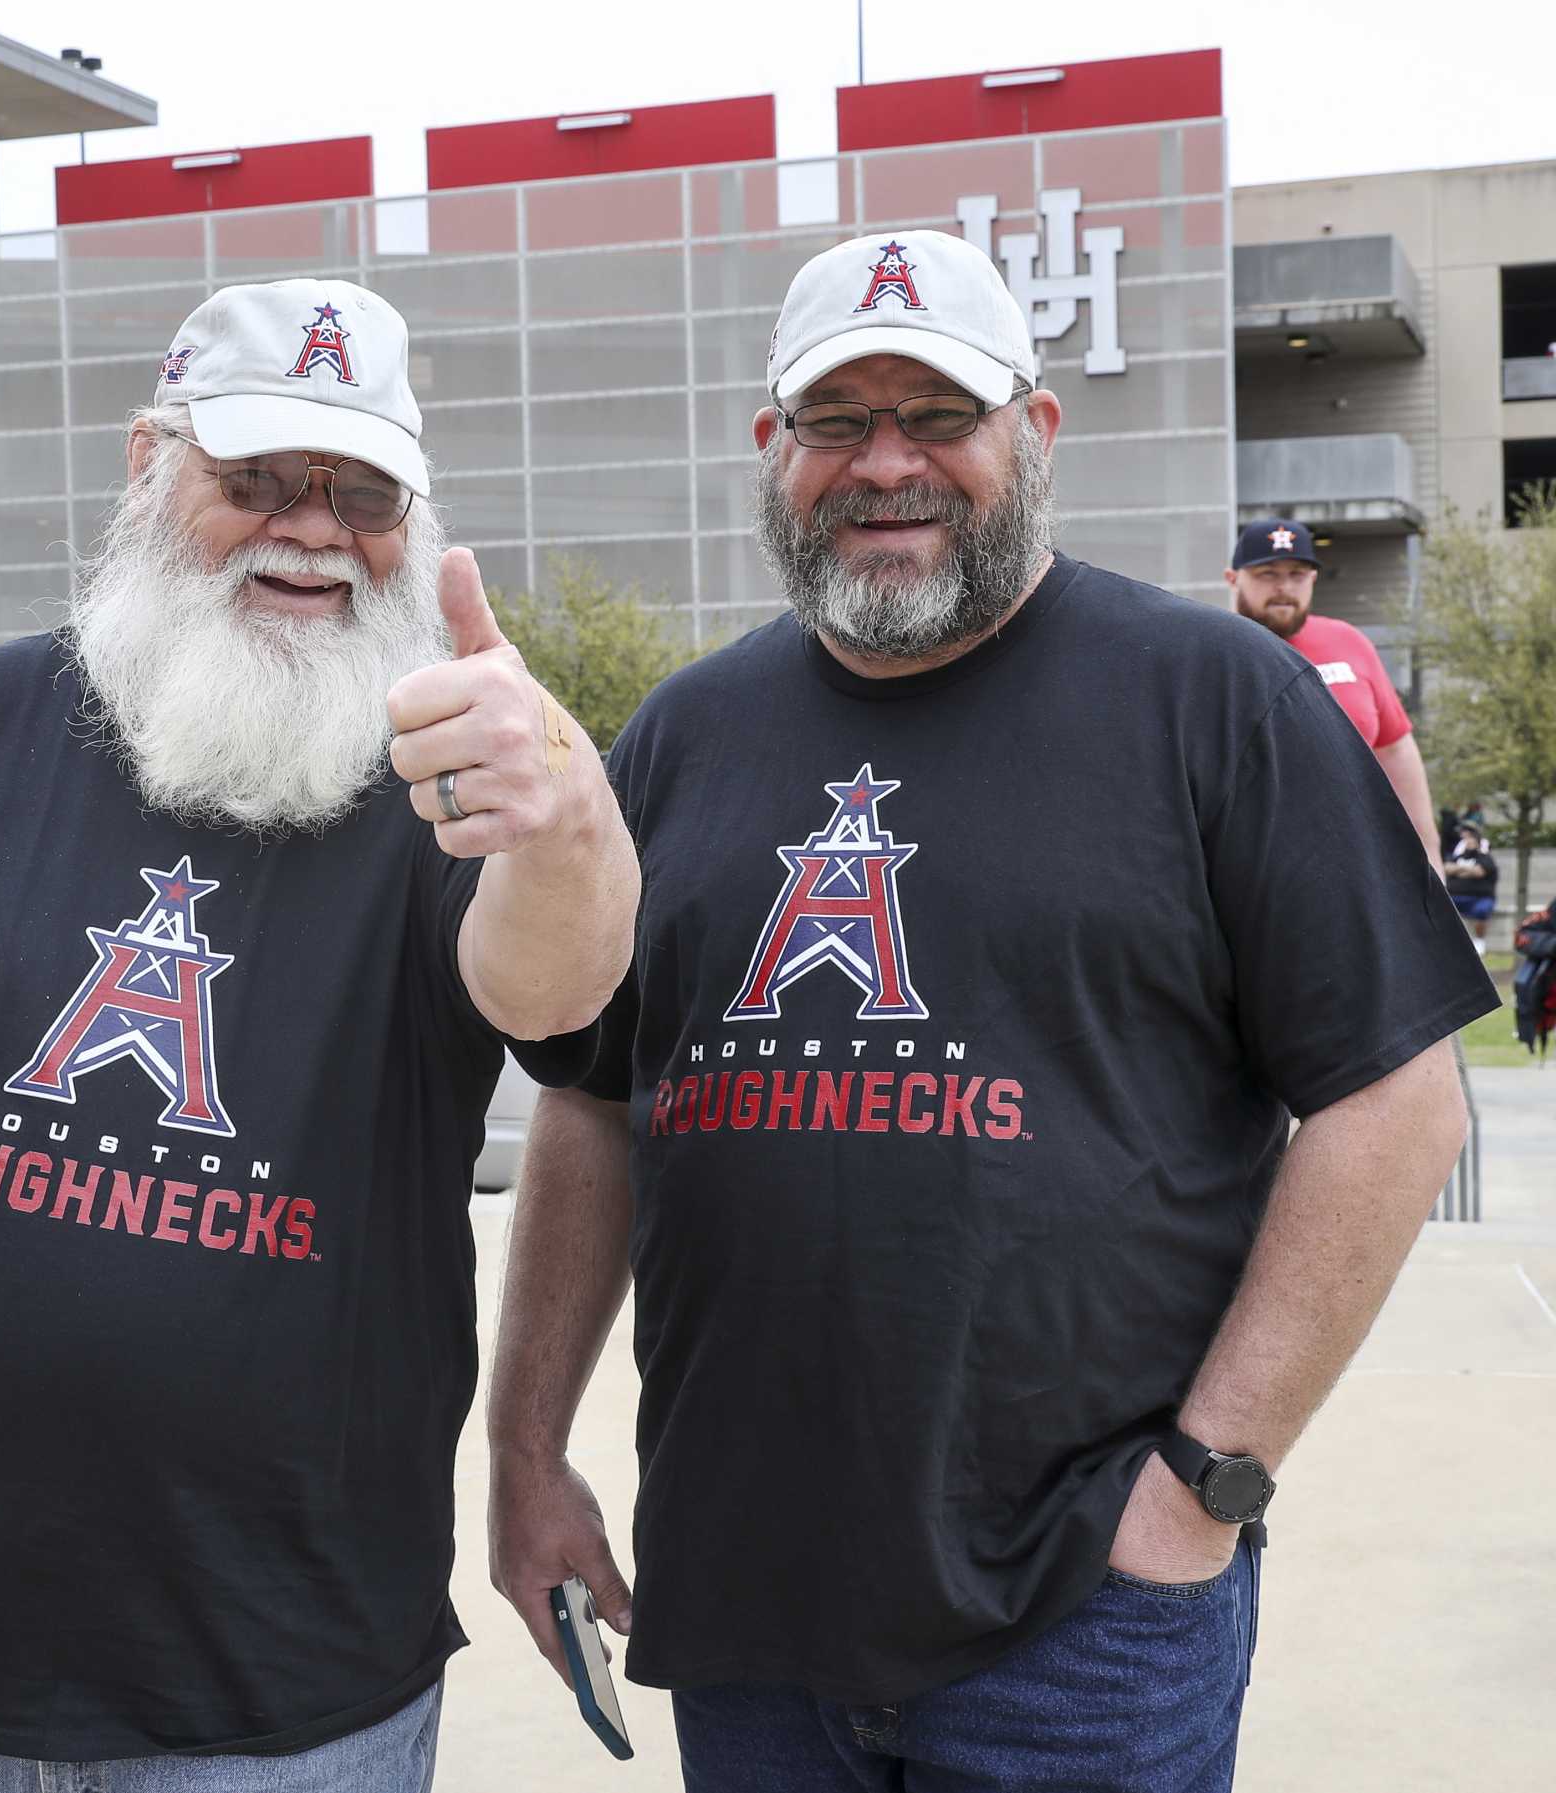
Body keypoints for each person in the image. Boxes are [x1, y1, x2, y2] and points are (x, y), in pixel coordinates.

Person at [0, 277, 638, 1792]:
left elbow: (557, 997)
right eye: (258, 478)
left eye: (362, 492)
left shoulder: (453, 787)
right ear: (152, 464)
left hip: (280, 1688)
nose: (313, 527)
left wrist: (569, 821)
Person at [485, 229, 1496, 1793]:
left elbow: (1399, 1098)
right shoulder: (681, 739)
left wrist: (1205, 1489)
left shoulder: (1215, 702)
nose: (888, 462)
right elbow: (594, 1101)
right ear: (775, 448)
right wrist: (529, 1445)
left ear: (1033, 431)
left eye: (937, 413)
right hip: (747, 1611)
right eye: (839, 420)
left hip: (1082, 1621)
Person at [1225, 519, 1441, 868]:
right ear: (1232, 579)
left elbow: (1395, 749)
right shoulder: (1212, 652)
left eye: (1298, 573)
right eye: (1267, 573)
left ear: (1313, 579)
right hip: (1248, 866)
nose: (1284, 587)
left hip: (1354, 862)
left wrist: (1428, 854)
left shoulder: (1349, 641)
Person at [1443, 822, 1500, 953]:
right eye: (1466, 839)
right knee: (1439, 907)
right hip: (1455, 896)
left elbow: (1479, 872)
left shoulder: (1485, 858)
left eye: (1471, 838)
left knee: (1482, 910)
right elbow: (1447, 868)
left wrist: (1458, 870)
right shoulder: (1457, 856)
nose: (1468, 842)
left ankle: (1479, 941)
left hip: (1479, 898)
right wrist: (1467, 869)